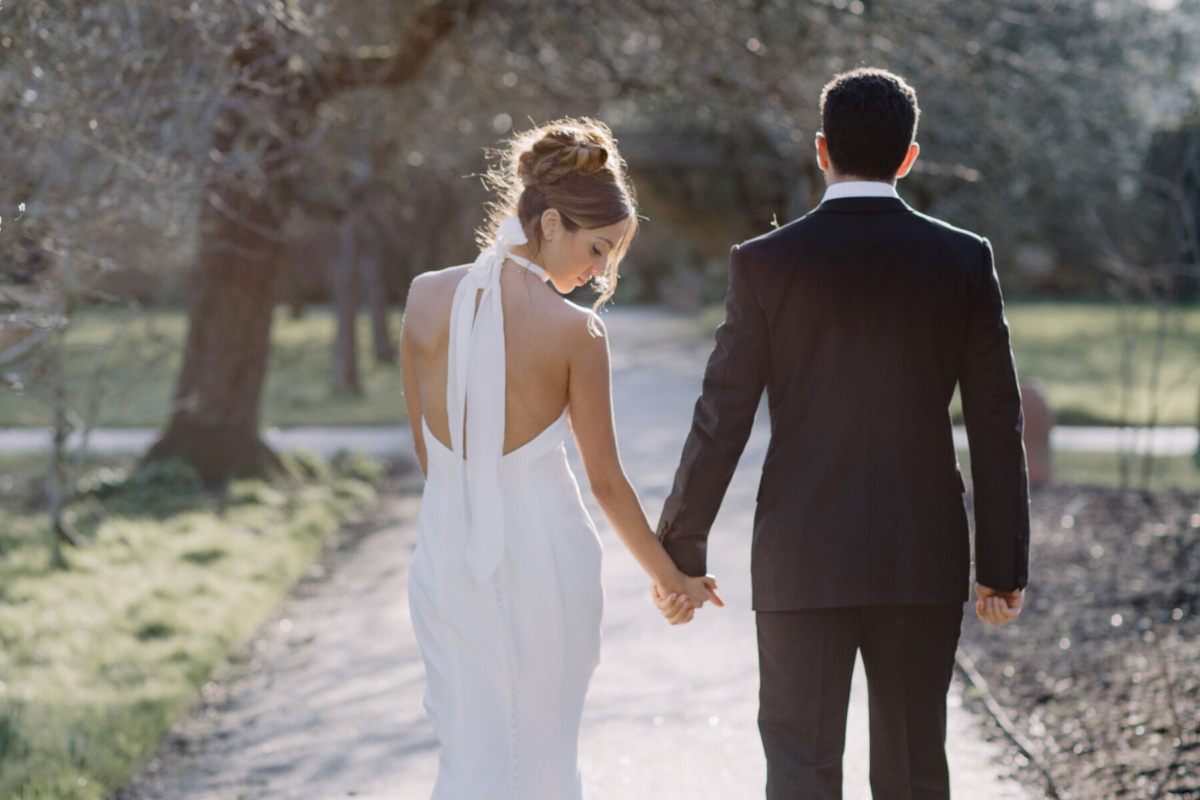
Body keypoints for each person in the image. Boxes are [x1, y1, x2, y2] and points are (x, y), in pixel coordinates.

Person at [653, 68, 1030, 799]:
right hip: (922, 552)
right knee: (917, 766)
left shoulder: (763, 263)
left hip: (800, 552)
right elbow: (996, 419)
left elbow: (721, 414)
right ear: (910, 157)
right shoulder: (963, 260)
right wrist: (1001, 564)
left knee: (800, 766)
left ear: (821, 151)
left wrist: (681, 554)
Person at [399, 118, 719, 800]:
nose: (602, 271)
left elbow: (431, 454)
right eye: (599, 248)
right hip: (543, 560)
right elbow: (606, 482)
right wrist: (672, 580)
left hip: (446, 553)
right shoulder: (578, 333)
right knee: (541, 750)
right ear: (549, 225)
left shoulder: (424, 297)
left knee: (473, 746)